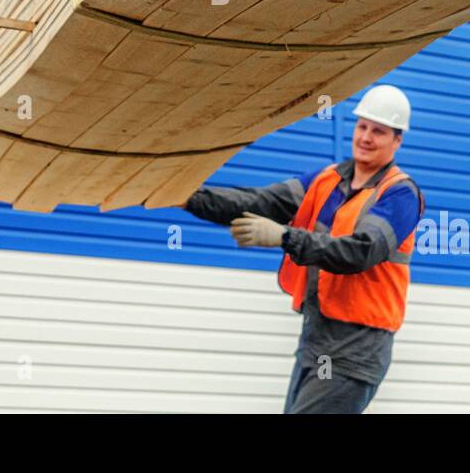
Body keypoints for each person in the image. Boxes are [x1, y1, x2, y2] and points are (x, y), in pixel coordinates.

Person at [182, 84, 425, 414]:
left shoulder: (400, 195)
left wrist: (284, 237)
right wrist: (184, 196)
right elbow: (259, 203)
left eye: (379, 131)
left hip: (357, 349)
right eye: (362, 126)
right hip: (317, 339)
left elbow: (359, 252)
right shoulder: (326, 180)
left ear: (397, 140)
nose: (366, 137)